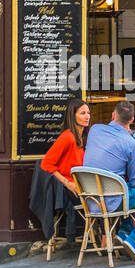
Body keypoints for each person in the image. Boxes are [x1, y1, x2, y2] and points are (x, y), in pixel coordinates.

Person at [81, 101, 135, 264]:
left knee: (134, 190)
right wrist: (134, 158)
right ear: (131, 120)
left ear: (113, 115)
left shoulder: (94, 130)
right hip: (113, 201)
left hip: (90, 199)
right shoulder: (131, 144)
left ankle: (123, 233)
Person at [32, 99, 90, 245]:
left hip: (81, 185)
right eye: (82, 113)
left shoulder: (84, 138)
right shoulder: (68, 137)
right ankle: (105, 240)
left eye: (88, 113)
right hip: (67, 189)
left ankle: (105, 239)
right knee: (100, 201)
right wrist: (67, 183)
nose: (87, 116)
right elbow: (46, 163)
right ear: (73, 116)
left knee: (104, 199)